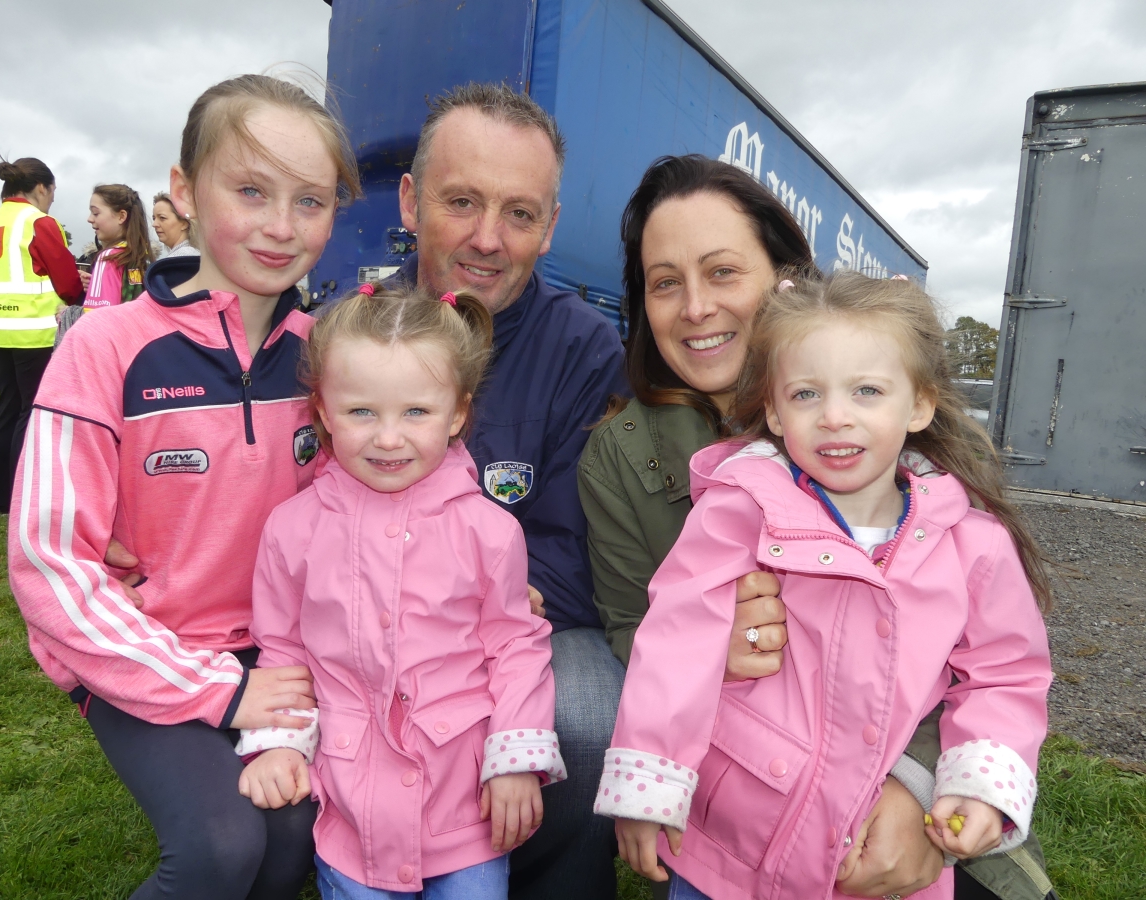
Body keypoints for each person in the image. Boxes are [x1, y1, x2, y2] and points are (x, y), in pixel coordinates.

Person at [324, 84, 786, 900]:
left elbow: (584, 555)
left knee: (580, 715)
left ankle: (552, 878)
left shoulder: (583, 347)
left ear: (552, 224)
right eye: (461, 202)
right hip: (357, 614)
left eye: (521, 214)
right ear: (409, 198)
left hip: (522, 623)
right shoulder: (345, 332)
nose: (488, 240)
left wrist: (447, 604)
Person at [580, 154, 1057, 900]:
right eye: (665, 282)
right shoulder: (663, 467)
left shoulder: (945, 502)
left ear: (785, 278)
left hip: (898, 792)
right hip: (741, 825)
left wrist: (935, 782)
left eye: (723, 271)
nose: (696, 306)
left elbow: (1001, 665)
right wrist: (713, 658)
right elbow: (645, 629)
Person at [7, 73, 362, 899]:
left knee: (294, 839)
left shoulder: (326, 357)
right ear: (184, 191)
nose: (281, 227)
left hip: (275, 652)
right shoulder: (106, 349)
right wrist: (221, 690)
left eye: (311, 201)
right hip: (142, 654)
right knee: (220, 848)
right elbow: (49, 564)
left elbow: (377, 492)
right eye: (250, 190)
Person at [239, 282, 566, 898]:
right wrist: (277, 746)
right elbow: (281, 650)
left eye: (416, 412)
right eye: (362, 412)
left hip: (462, 806)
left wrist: (516, 757)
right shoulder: (292, 529)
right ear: (324, 411)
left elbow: (517, 649)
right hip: (350, 806)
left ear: (459, 413)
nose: (389, 438)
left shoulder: (490, 530)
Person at [0, 156, 84, 517]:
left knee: (7, 407)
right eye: (52, 192)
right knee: (32, 411)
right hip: (33, 329)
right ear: (41, 188)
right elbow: (67, 282)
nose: (52, 200)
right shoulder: (38, 222)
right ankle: (25, 496)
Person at [84, 183, 154, 310]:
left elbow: (95, 318)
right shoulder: (143, 257)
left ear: (121, 216)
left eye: (95, 213)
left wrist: (66, 313)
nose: (89, 219)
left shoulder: (108, 257)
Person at [153, 191, 200, 259]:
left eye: (162, 218)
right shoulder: (195, 255)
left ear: (184, 223)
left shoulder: (179, 259)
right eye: (154, 218)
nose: (154, 224)